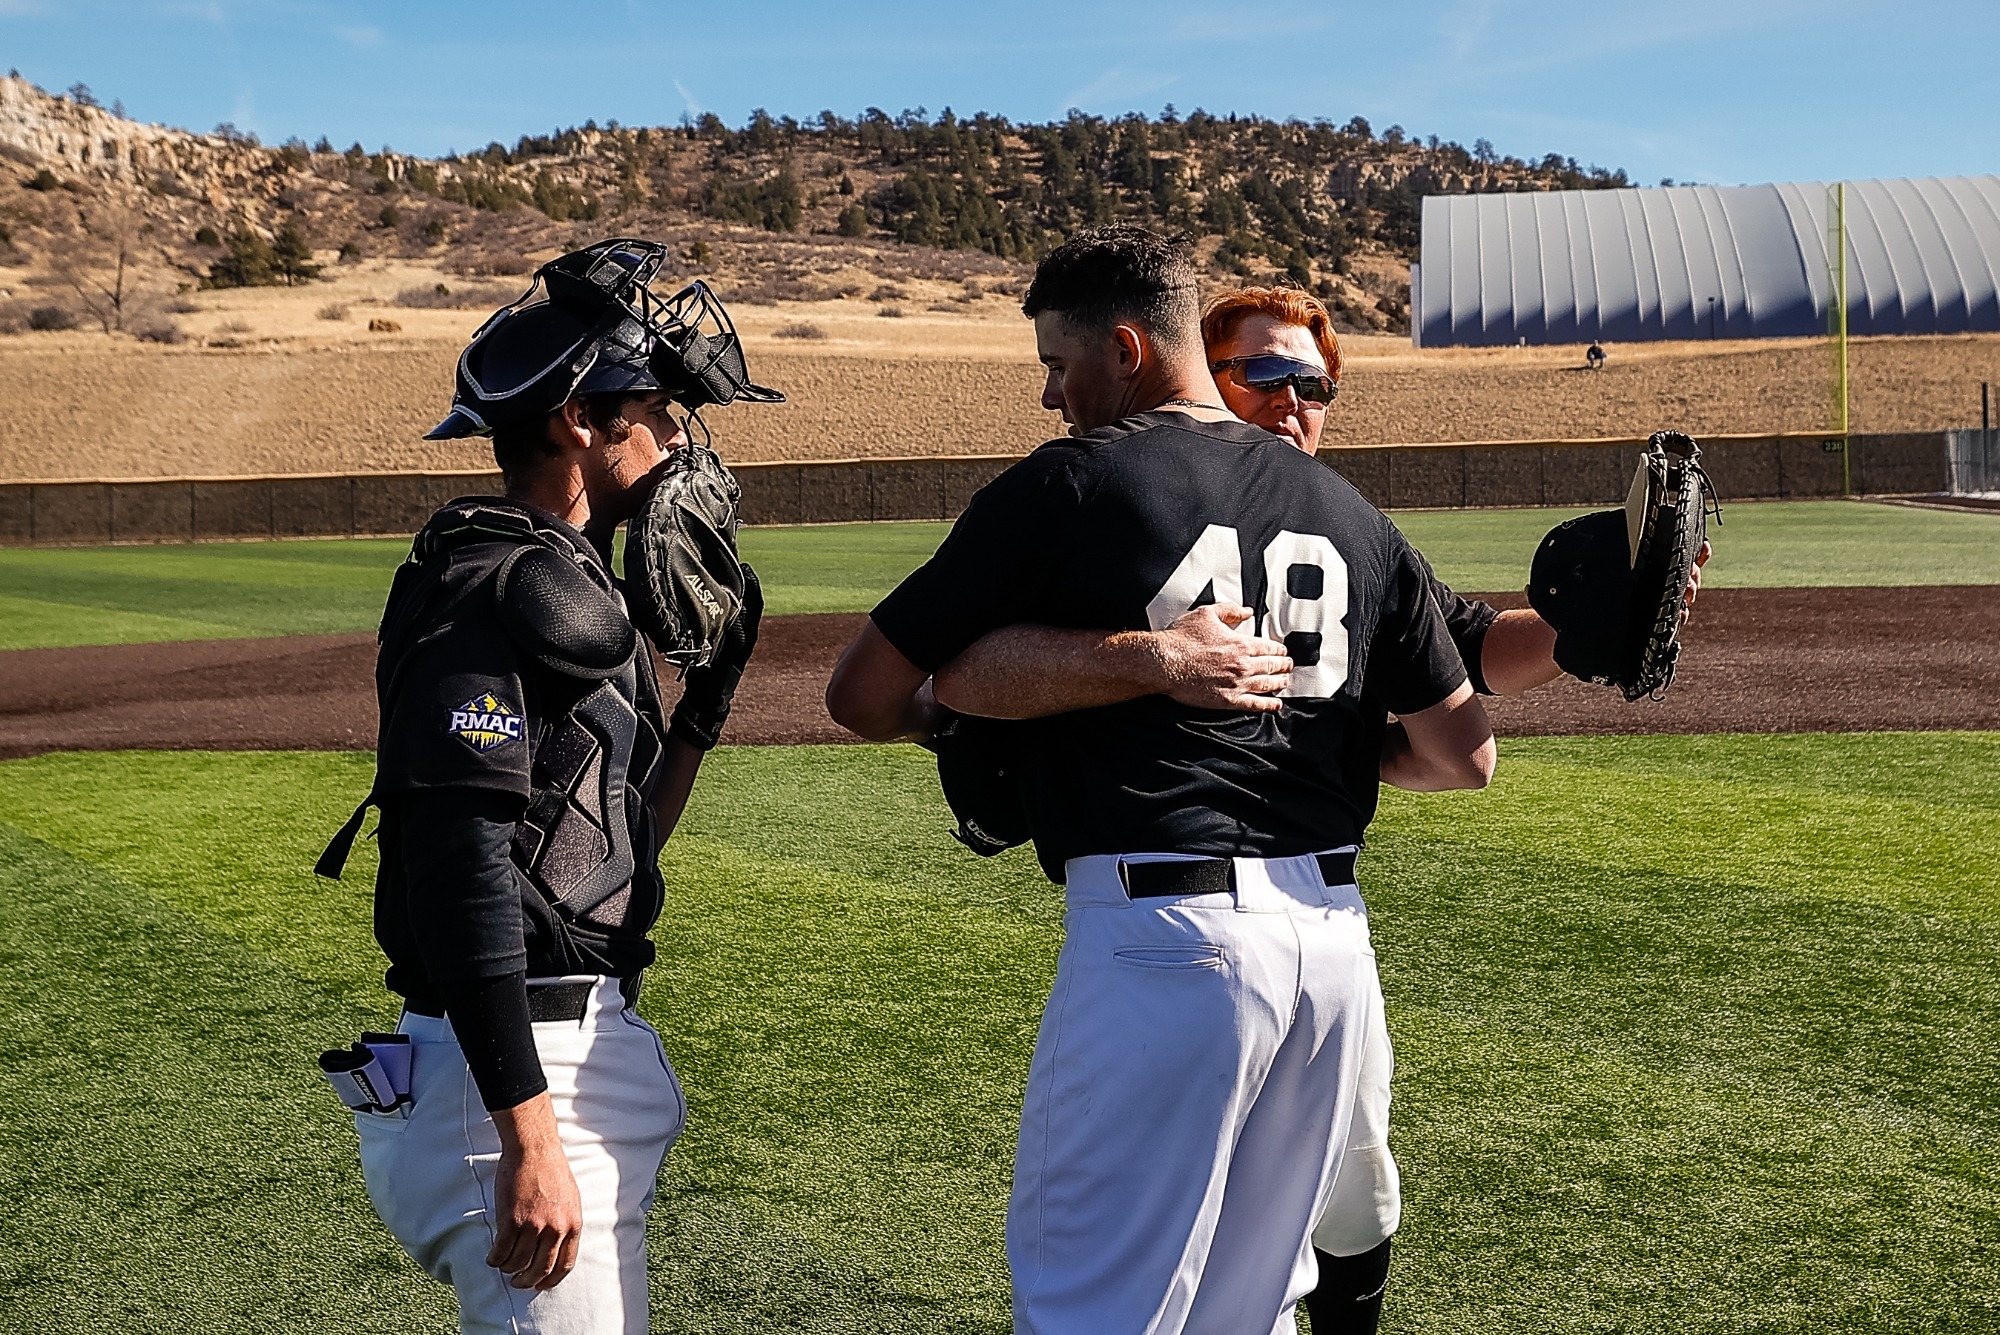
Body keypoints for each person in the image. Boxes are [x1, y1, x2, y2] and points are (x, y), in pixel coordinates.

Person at [930, 282, 1708, 1333]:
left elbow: (1469, 648)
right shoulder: (1145, 500)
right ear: (1200, 370)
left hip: (1213, 933)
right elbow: (1459, 735)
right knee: (1262, 1242)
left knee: (1325, 1200)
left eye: (1316, 384)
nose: (1294, 401)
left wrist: (1586, 630)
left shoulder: (1336, 528)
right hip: (1266, 925)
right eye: (1265, 373)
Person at [825, 226, 1497, 1335]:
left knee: (1098, 1310)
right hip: (1332, 950)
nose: (1050, 394)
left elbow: (862, 696)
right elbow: (1459, 755)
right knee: (1255, 1314)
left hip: (1167, 939)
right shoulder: (1353, 514)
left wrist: (1031, 691)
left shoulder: (1072, 483)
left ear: (1126, 350)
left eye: (1055, 361)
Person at [317, 240, 770, 1334]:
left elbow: (604, 855)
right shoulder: (487, 590)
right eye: (657, 407)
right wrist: (529, 1137)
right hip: (513, 1080)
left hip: (558, 1052)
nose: (674, 439)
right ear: (578, 418)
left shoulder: (560, 578)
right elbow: (454, 864)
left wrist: (703, 707)